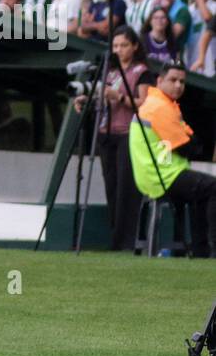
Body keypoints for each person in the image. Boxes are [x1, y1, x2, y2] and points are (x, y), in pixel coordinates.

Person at [75, 26, 152, 251]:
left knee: (126, 188)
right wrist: (85, 98)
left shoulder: (142, 71)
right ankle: (116, 238)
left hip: (129, 133)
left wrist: (117, 96)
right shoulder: (109, 71)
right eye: (115, 46)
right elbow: (101, 97)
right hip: (106, 132)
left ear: (135, 46)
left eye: (123, 45)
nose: (118, 50)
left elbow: (144, 103)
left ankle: (125, 241)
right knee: (111, 187)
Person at [130, 62, 216, 256]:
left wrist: (189, 140)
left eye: (182, 82)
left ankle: (201, 251)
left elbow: (192, 142)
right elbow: (188, 147)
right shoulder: (159, 107)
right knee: (213, 187)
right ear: (160, 81)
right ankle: (208, 249)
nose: (178, 85)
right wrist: (189, 139)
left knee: (203, 191)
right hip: (162, 175)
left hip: (162, 171)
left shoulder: (163, 104)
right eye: (173, 80)